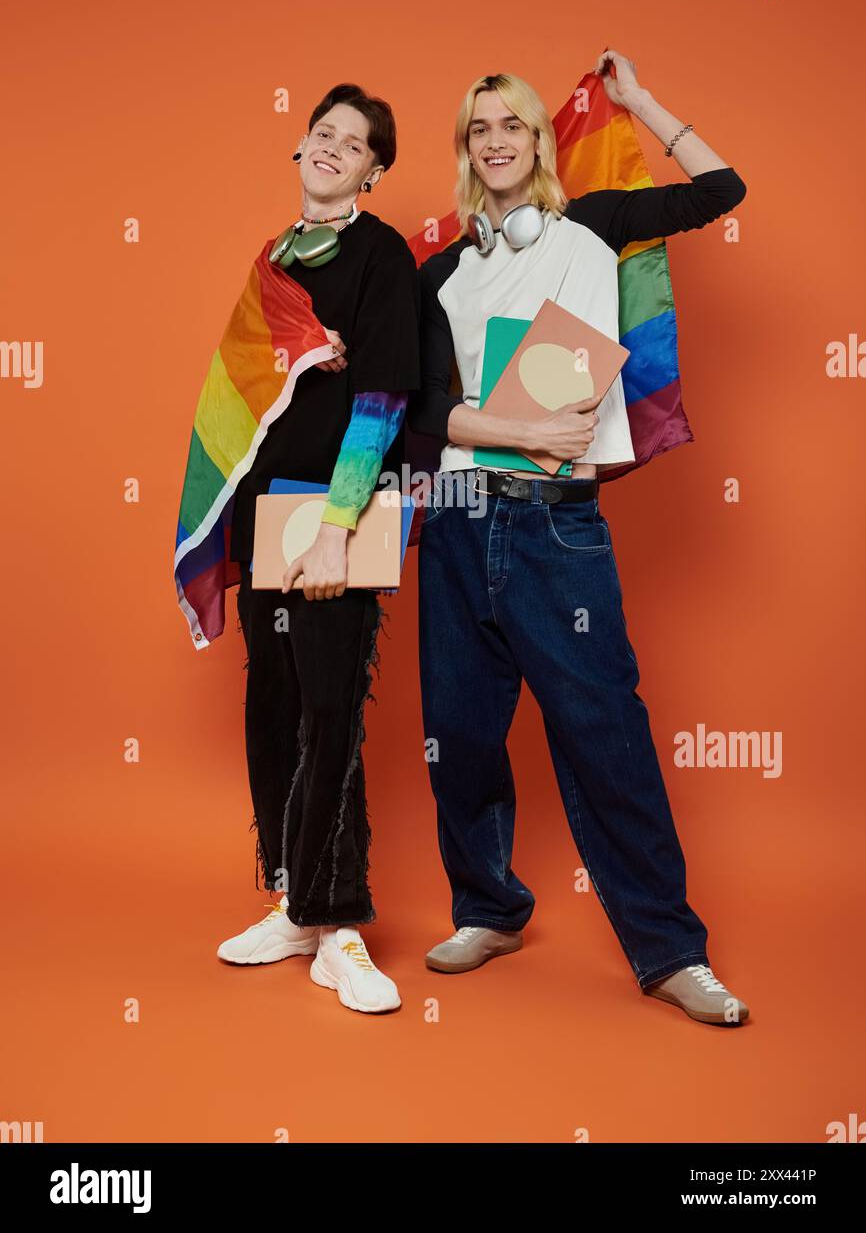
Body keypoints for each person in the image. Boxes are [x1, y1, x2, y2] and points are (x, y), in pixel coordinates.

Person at [407, 50, 751, 1025]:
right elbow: (427, 416)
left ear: (536, 138)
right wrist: (511, 425)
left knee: (604, 732)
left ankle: (669, 948)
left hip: (552, 525)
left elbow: (720, 189)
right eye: (479, 128)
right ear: (467, 151)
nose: (497, 140)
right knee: (460, 738)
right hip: (460, 519)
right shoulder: (443, 273)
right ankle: (488, 907)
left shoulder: (589, 228)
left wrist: (639, 100)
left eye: (511, 122)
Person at [216, 83, 420, 1015]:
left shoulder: (380, 255)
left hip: (339, 509)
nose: (334, 147)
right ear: (301, 148)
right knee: (276, 697)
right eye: (323, 132)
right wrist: (299, 347)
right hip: (269, 507)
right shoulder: (271, 259)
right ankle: (295, 898)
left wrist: (338, 532)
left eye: (356, 142)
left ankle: (340, 927)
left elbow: (384, 396)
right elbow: (245, 380)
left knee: (333, 704)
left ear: (375, 171)